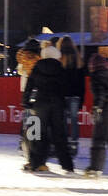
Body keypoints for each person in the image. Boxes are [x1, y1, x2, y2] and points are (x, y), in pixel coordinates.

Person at [23, 42, 74, 175]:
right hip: (57, 104)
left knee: (38, 134)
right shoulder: (60, 68)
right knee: (59, 134)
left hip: (41, 103)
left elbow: (30, 86)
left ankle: (37, 163)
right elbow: (66, 87)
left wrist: (26, 102)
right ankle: (67, 165)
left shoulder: (37, 67)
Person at [57, 35, 85, 158]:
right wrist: (81, 98)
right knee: (74, 120)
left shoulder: (60, 60)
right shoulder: (78, 60)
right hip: (75, 95)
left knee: (62, 120)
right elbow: (82, 82)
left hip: (63, 94)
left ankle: (63, 142)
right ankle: (74, 144)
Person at [15, 39, 42, 161]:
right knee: (35, 118)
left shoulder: (22, 57)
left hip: (25, 87)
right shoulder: (38, 59)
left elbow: (20, 69)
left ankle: (23, 142)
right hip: (36, 88)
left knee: (26, 116)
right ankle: (34, 145)